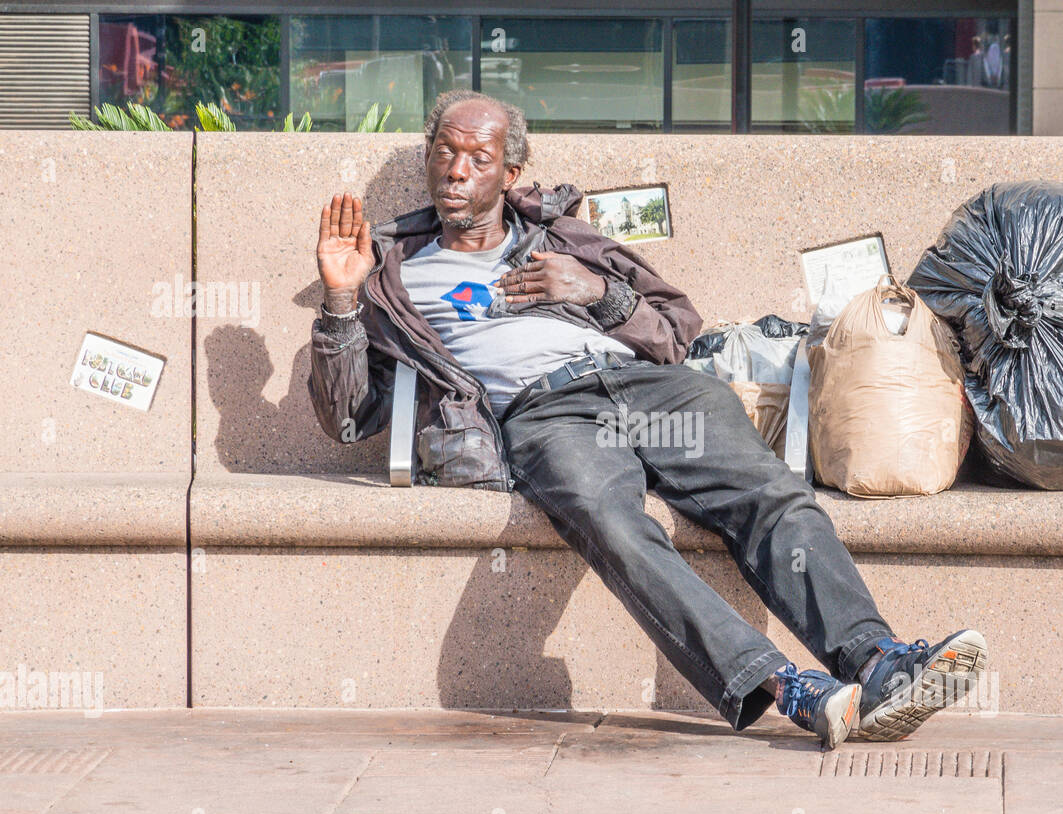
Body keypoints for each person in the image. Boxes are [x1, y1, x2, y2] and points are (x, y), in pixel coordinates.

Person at [308, 89, 988, 750]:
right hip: (545, 414)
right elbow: (346, 418)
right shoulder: (394, 272)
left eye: (477, 158)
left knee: (771, 495)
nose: (456, 171)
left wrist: (598, 292)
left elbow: (675, 334)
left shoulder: (563, 237)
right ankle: (788, 688)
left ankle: (879, 662)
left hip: (650, 388)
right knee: (615, 526)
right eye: (444, 153)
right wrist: (340, 300)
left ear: (510, 172)